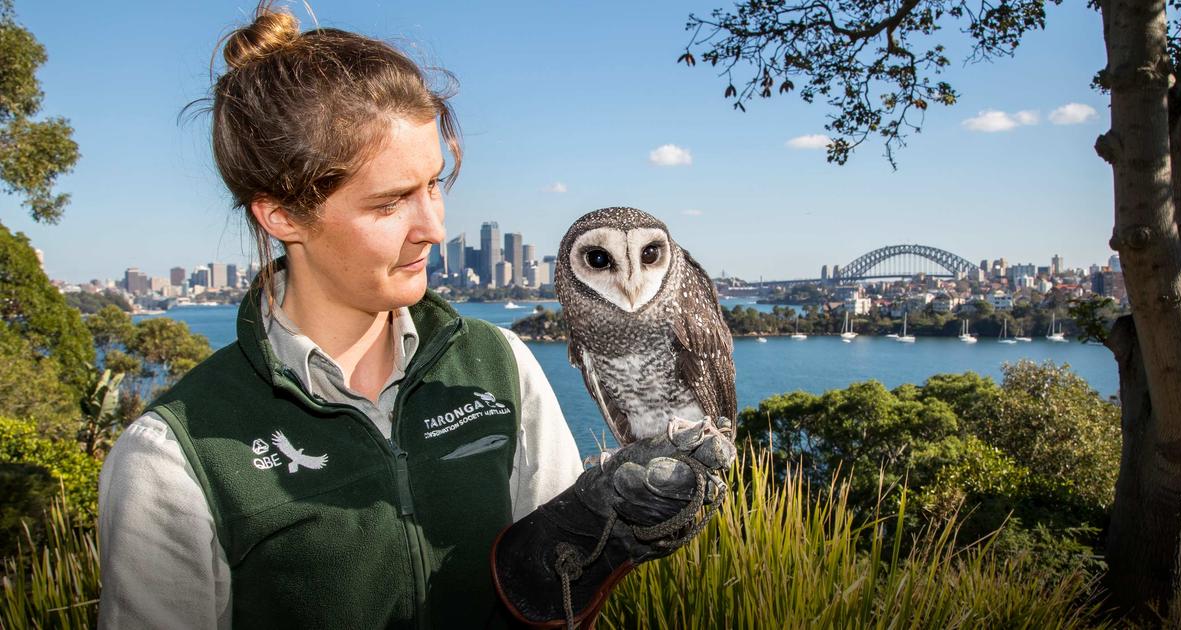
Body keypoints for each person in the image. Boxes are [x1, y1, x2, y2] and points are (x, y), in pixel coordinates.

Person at [97, 3, 733, 628]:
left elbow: (554, 609)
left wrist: (587, 554)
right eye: (390, 203)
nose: (434, 228)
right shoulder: (172, 458)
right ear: (282, 216)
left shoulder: (500, 365)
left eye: (435, 184)